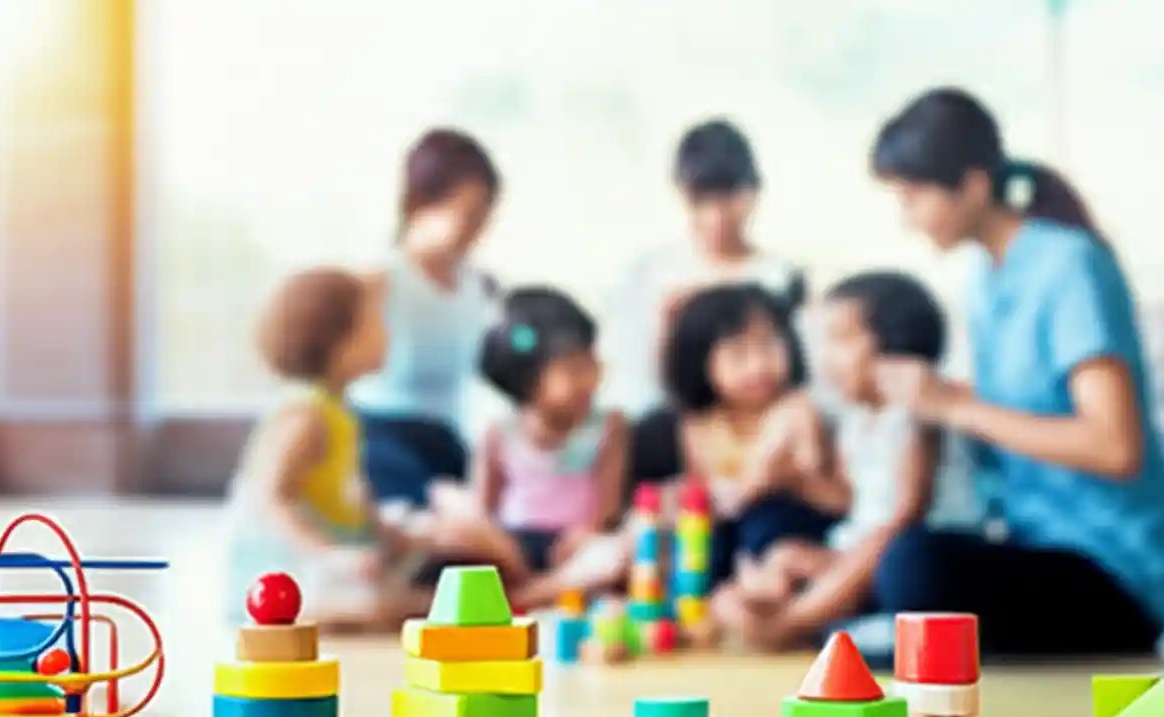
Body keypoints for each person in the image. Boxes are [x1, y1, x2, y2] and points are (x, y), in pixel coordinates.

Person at [744, 87, 1164, 657]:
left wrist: (953, 405)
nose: (907, 219)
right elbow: (1002, 420)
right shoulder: (984, 279)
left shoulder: (1069, 266)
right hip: (1027, 543)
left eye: (914, 198)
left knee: (912, 565)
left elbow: (1115, 445)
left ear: (974, 185)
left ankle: (858, 622)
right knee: (790, 526)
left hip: (1115, 573)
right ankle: (861, 617)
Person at [712, 272, 982, 643]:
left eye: (840, 340)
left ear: (892, 347)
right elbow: (848, 500)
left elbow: (905, 515)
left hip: (911, 547)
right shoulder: (858, 419)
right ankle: (771, 606)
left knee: (893, 557)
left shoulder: (917, 414)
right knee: (784, 555)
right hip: (862, 548)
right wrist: (793, 484)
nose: (826, 359)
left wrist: (833, 581)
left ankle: (793, 623)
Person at [602, 119, 808, 483]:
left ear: (754, 192)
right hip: (682, 421)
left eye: (730, 198)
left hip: (763, 425)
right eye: (701, 201)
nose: (716, 216)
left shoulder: (779, 276)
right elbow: (629, 376)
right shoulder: (651, 272)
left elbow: (796, 370)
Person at [227, 269, 430, 630]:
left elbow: (354, 489)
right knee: (392, 608)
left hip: (338, 555)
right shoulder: (305, 414)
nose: (388, 334)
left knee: (418, 572)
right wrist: (327, 555)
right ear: (338, 339)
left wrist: (387, 531)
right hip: (290, 568)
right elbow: (272, 499)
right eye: (376, 322)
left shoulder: (339, 408)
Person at [349, 129, 501, 505]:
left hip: (446, 441)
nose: (478, 231)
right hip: (378, 437)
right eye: (468, 216)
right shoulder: (378, 281)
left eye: (485, 217)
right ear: (419, 203)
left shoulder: (479, 285)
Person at [459, 287, 629, 609]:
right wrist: (500, 547)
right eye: (573, 368)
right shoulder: (498, 433)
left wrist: (586, 531)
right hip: (513, 546)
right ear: (528, 380)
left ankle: (525, 598)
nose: (590, 378)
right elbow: (483, 507)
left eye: (592, 363)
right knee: (459, 540)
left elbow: (608, 502)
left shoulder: (609, 426)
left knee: (618, 552)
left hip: (577, 547)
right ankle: (540, 593)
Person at [662, 284, 829, 585]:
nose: (758, 366)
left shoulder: (795, 408)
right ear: (700, 363)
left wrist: (772, 477)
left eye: (768, 347)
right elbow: (704, 488)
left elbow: (812, 467)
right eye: (738, 355)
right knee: (697, 535)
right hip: (730, 520)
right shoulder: (699, 424)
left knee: (763, 520)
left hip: (791, 520)